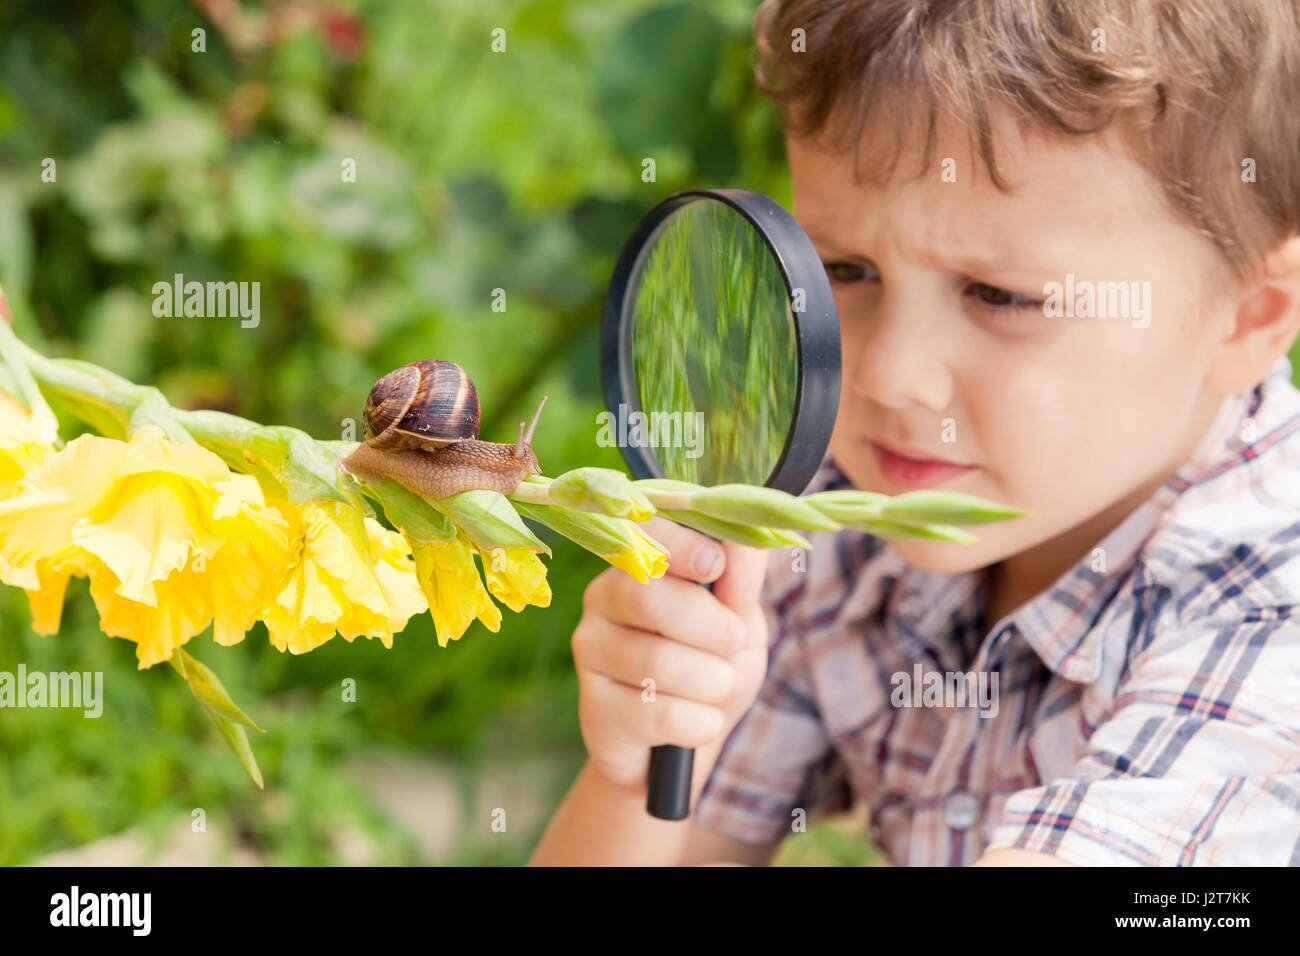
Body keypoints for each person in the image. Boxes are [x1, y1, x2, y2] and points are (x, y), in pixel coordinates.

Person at [530, 0, 1300, 866]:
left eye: (1002, 296)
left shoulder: (1273, 635)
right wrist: (644, 765)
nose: (890, 375)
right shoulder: (833, 526)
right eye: (845, 271)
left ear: (1248, 318)